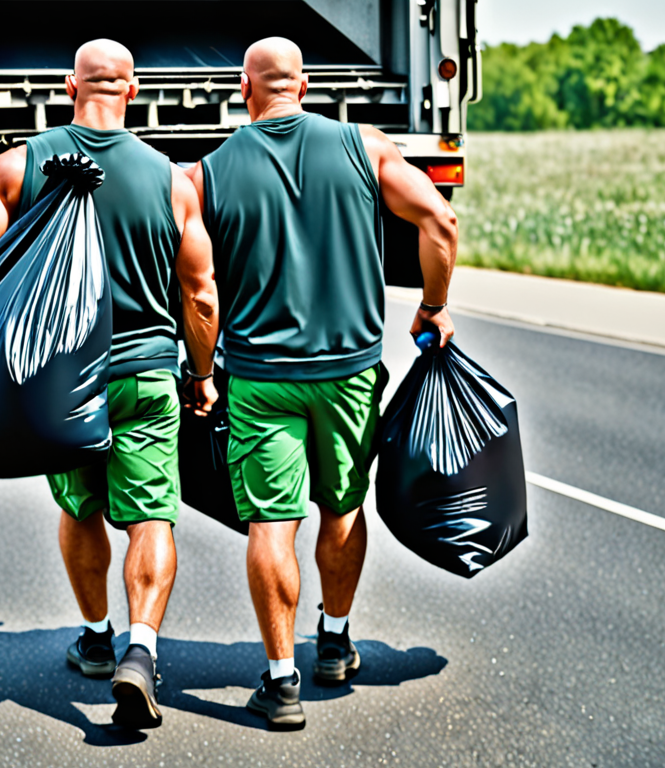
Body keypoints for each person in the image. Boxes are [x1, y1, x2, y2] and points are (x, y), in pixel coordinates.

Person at [0, 39, 220, 730]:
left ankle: (95, 637)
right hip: (146, 375)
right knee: (152, 515)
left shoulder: (19, 166)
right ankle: (142, 652)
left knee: (80, 509)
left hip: (58, 385)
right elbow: (202, 296)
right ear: (133, 89)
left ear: (70, 86)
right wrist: (202, 373)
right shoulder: (170, 181)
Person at [186, 37, 457, 730]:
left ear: (245, 91)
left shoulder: (208, 174)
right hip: (350, 375)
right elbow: (440, 220)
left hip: (262, 379)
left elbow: (197, 288)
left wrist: (203, 370)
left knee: (271, 524)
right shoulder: (364, 147)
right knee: (342, 508)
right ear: (303, 86)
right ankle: (334, 641)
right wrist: (433, 304)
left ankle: (281, 683)